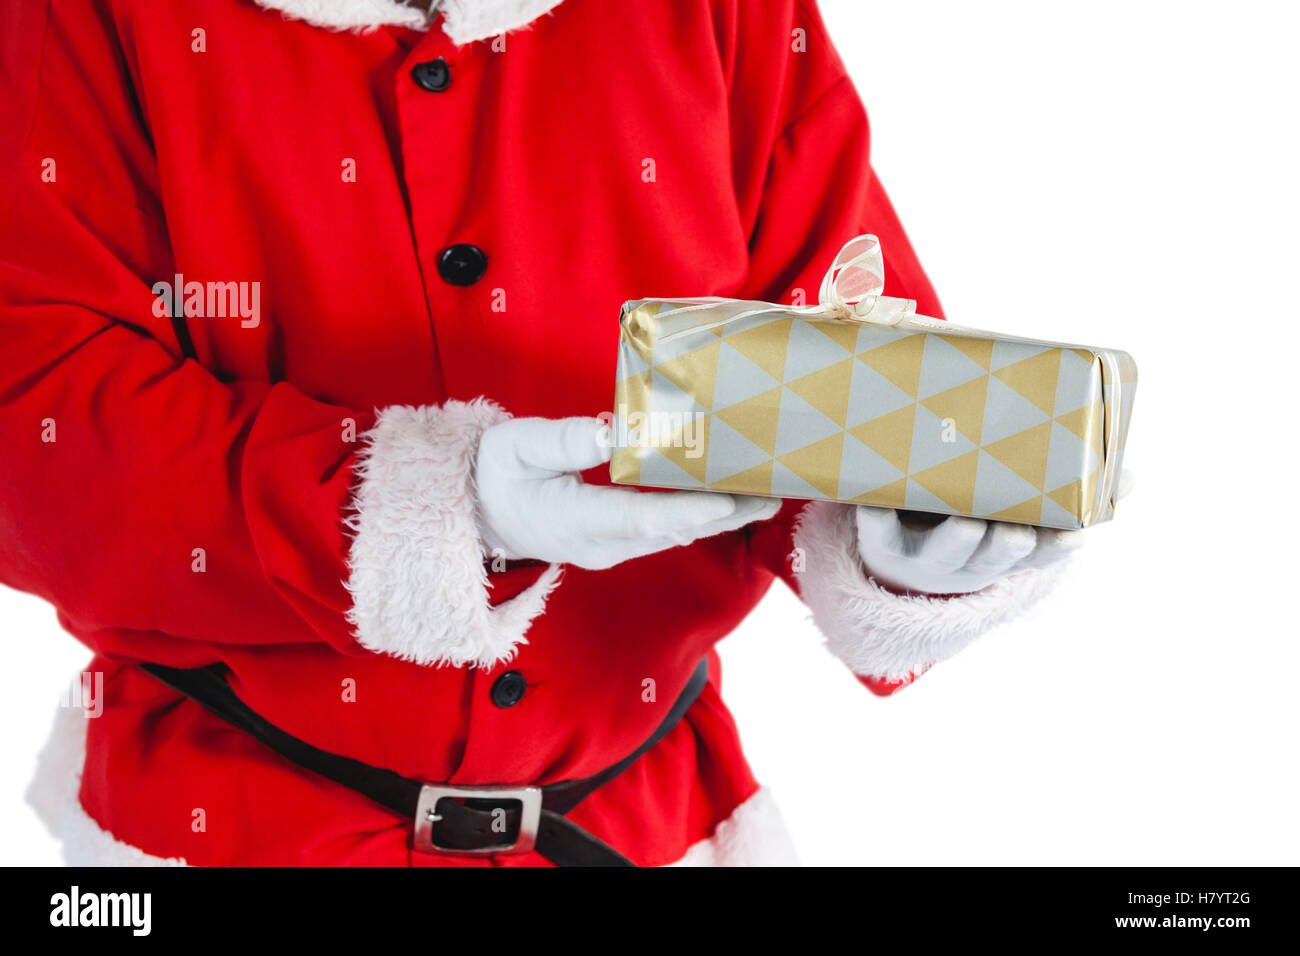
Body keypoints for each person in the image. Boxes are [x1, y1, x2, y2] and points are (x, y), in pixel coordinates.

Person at [0, 0, 1076, 866]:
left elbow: (847, 341)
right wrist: (418, 505)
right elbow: (31, 421)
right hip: (233, 827)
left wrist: (898, 528)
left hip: (647, 825)